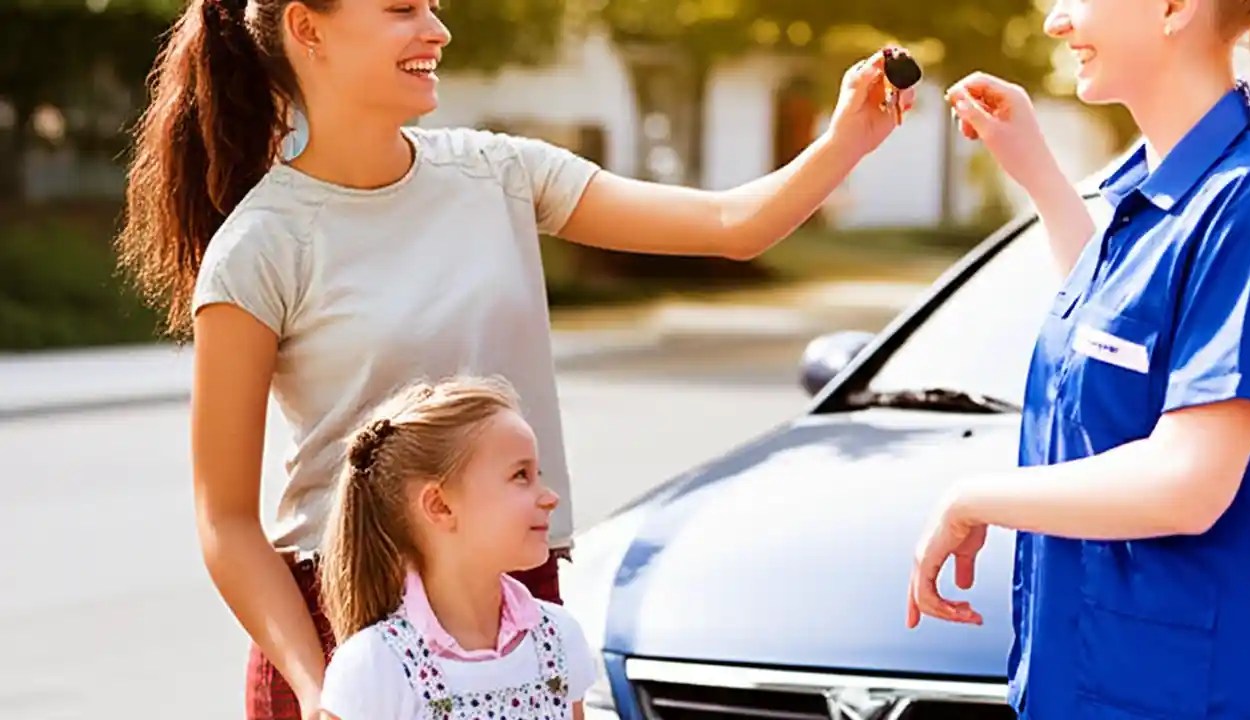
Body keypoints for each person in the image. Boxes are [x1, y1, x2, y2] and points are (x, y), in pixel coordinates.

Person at [113, 0, 917, 716]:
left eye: (432, 6)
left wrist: (847, 139)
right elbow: (225, 521)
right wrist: (320, 685)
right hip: (344, 630)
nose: (437, 29)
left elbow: (730, 226)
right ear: (306, 27)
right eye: (402, 9)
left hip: (516, 613)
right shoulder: (259, 247)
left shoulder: (500, 173)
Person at [905, 0, 1250, 717]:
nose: (1056, 21)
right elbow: (1114, 347)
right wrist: (1037, 172)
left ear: (1174, 7)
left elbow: (1188, 481)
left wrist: (971, 497)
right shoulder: (1158, 193)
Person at [315, 376, 594, 720]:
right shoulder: (375, 667)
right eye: (520, 475)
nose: (550, 498)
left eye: (539, 474)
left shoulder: (559, 639)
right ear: (440, 506)